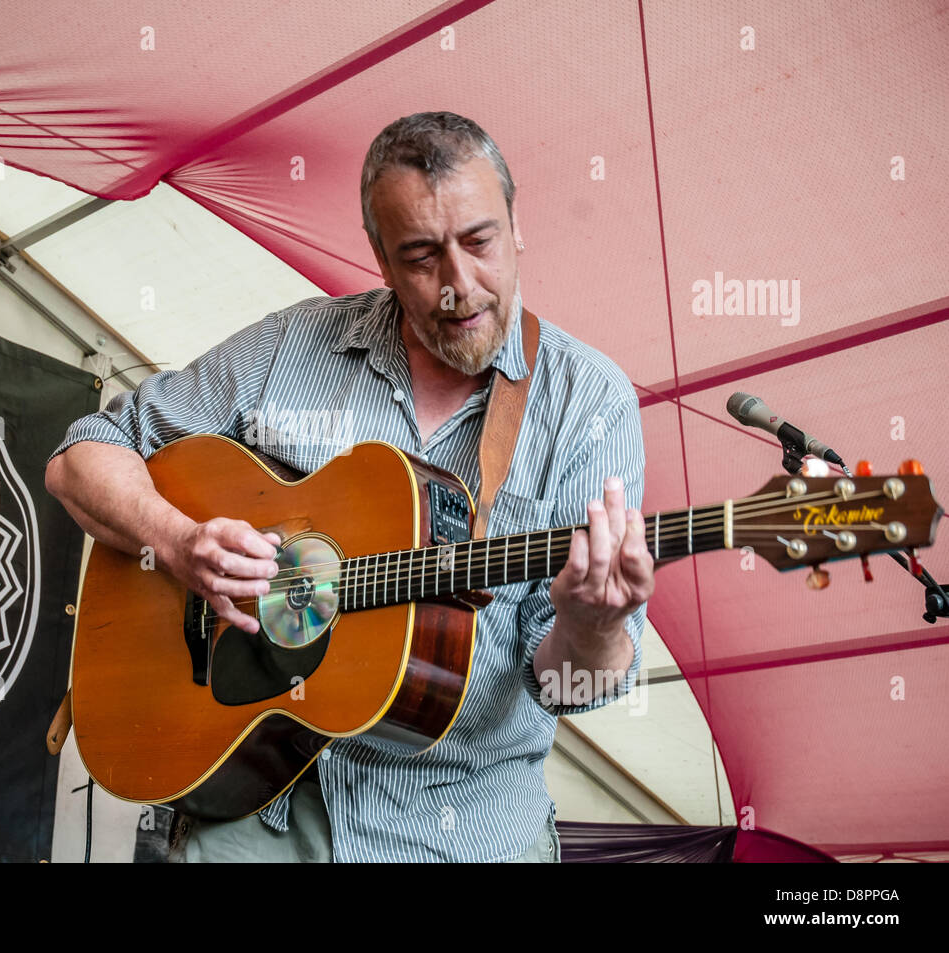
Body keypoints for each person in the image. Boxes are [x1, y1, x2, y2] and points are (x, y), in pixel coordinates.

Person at [45, 111, 654, 863]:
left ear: (516, 222)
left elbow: (566, 685)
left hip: (459, 830)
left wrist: (593, 625)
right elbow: (82, 456)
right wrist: (176, 542)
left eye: (479, 241)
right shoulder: (293, 346)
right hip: (255, 805)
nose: (459, 286)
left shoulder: (589, 404)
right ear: (380, 255)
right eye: (423, 255)